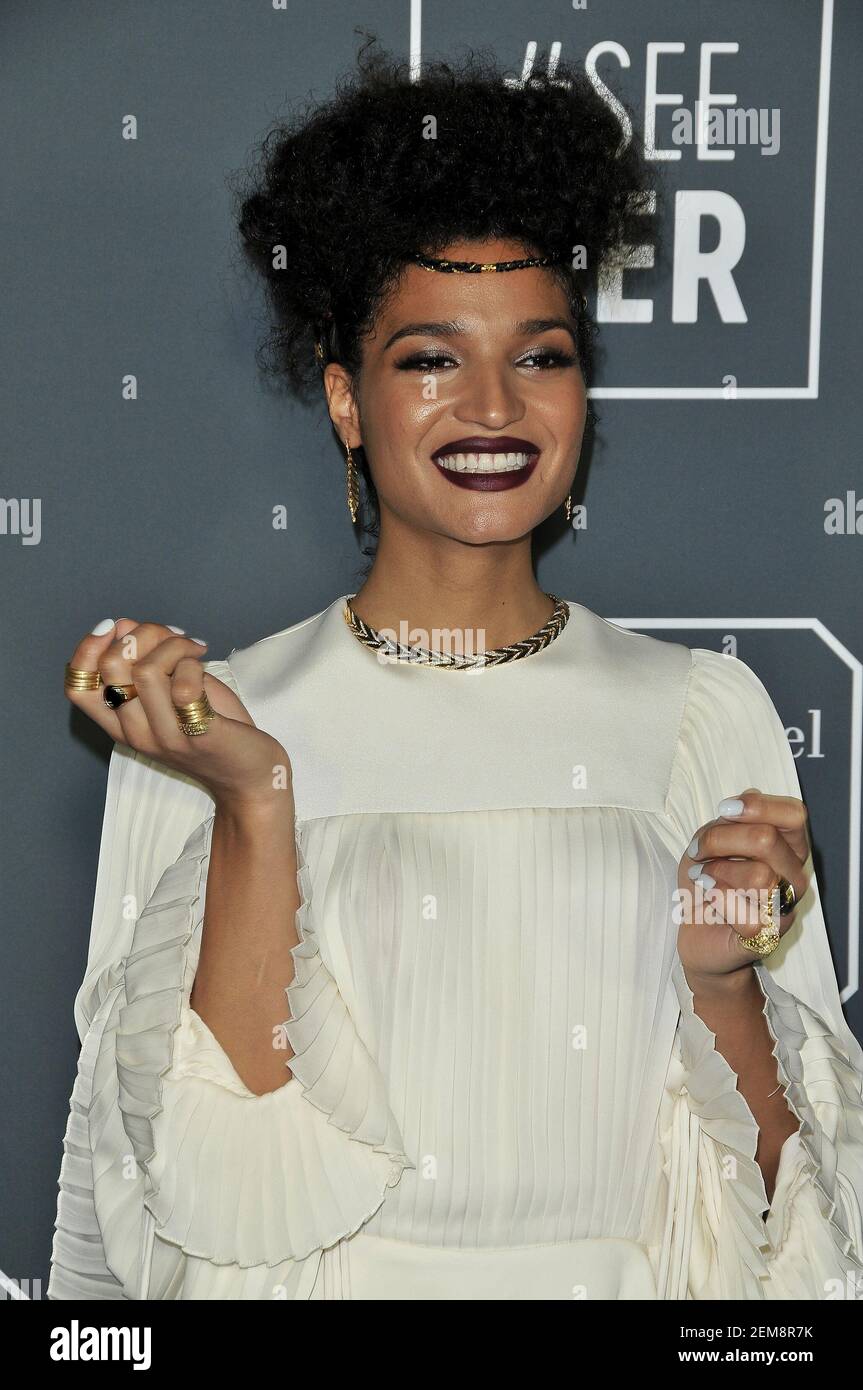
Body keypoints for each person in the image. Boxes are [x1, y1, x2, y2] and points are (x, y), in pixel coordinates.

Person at [49, 43, 863, 1301]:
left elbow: (799, 1236)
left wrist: (721, 983)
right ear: (343, 398)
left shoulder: (704, 714)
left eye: (538, 356)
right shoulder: (210, 729)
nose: (492, 405)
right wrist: (255, 798)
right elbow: (182, 1207)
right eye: (431, 357)